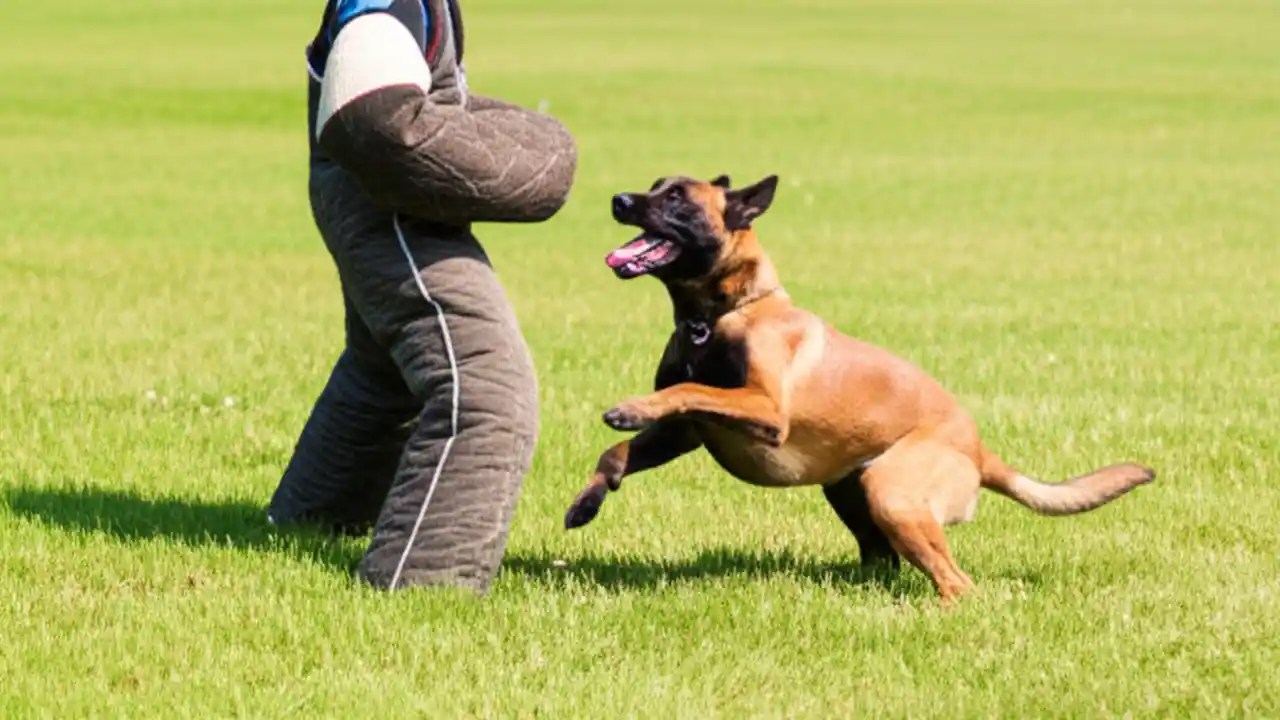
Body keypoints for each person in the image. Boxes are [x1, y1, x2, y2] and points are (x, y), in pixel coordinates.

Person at [266, 0, 578, 594]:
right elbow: (380, 124)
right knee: (483, 388)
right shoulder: (388, 7)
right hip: (390, 219)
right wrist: (538, 165)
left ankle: (312, 518)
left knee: (381, 370)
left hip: (368, 206)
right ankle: (422, 582)